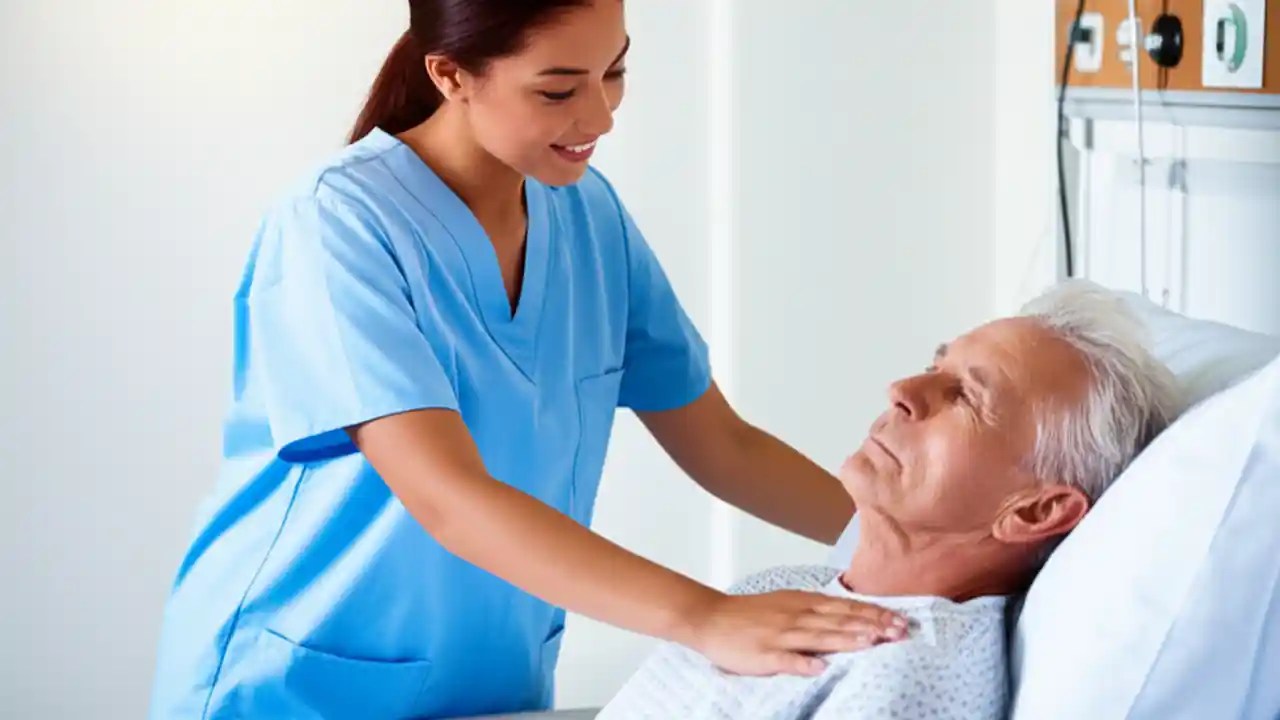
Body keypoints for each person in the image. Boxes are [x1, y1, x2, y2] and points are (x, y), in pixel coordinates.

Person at [146, 2, 910, 718]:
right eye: (558, 90)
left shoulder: (589, 216)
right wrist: (705, 618)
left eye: (615, 71)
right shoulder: (338, 223)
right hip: (300, 681)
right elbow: (447, 496)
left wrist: (907, 540)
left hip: (490, 680)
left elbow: (723, 445)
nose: (601, 116)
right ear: (451, 75)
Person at [598, 282, 1182, 719]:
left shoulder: (911, 674)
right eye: (933, 366)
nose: (902, 390)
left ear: (1035, 511)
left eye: (966, 397)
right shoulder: (783, 589)